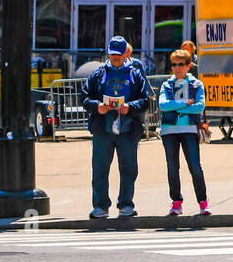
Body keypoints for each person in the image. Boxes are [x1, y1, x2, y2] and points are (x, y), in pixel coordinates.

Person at [82, 35, 154, 218]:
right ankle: (100, 205)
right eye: (112, 54)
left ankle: (126, 204)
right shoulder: (98, 74)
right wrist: (97, 107)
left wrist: (130, 108)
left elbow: (146, 100)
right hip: (102, 130)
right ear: (108, 54)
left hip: (128, 130)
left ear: (125, 54)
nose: (115, 57)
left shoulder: (135, 73)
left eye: (119, 54)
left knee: (129, 169)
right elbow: (84, 97)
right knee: (100, 169)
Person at [158, 49, 211, 215]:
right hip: (169, 131)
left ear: (189, 66)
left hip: (189, 130)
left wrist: (177, 105)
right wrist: (186, 103)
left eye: (181, 64)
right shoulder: (166, 84)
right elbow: (163, 105)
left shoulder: (196, 84)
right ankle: (176, 202)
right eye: (174, 64)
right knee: (172, 168)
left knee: (195, 167)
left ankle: (203, 202)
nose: (177, 67)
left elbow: (200, 106)